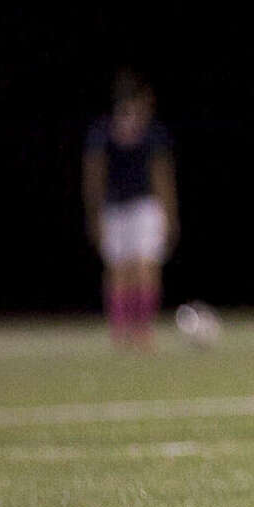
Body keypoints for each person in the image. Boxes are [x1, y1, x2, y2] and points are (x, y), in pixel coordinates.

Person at [82, 70, 178, 349]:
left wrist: (169, 214)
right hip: (114, 208)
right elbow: (94, 175)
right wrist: (95, 213)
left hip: (145, 206)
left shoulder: (152, 132)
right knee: (119, 269)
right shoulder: (104, 131)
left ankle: (142, 328)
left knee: (144, 265)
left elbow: (161, 174)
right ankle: (122, 328)